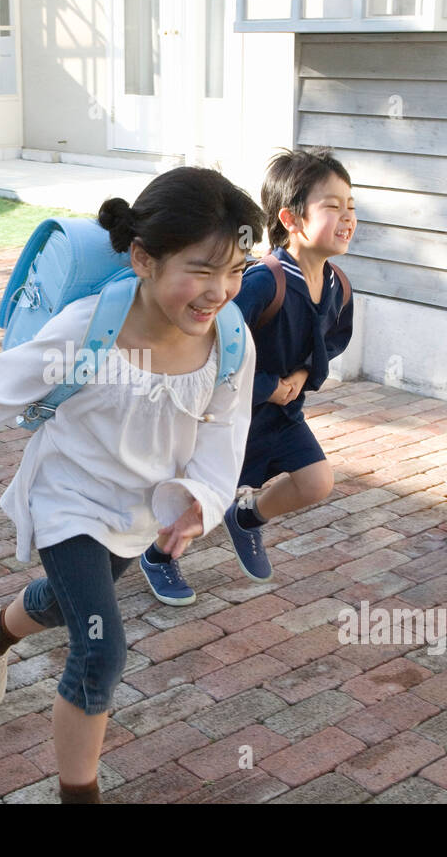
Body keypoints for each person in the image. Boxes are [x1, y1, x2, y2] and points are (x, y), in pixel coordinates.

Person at [0, 167, 263, 803]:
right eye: (202, 270)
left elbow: (226, 431)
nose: (220, 291)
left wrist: (203, 501)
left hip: (137, 512)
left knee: (67, 607)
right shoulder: (87, 328)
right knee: (100, 649)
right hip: (67, 498)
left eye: (235, 271)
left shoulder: (231, 341)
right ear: (143, 259)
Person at [139, 148, 356, 603]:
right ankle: (159, 555)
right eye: (333, 206)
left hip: (280, 416)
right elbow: (212, 342)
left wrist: (299, 372)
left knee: (316, 481)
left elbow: (334, 337)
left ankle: (248, 518)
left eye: (351, 206)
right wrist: (265, 386)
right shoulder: (263, 282)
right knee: (197, 500)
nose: (348, 217)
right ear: (291, 219)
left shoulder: (337, 283)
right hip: (227, 415)